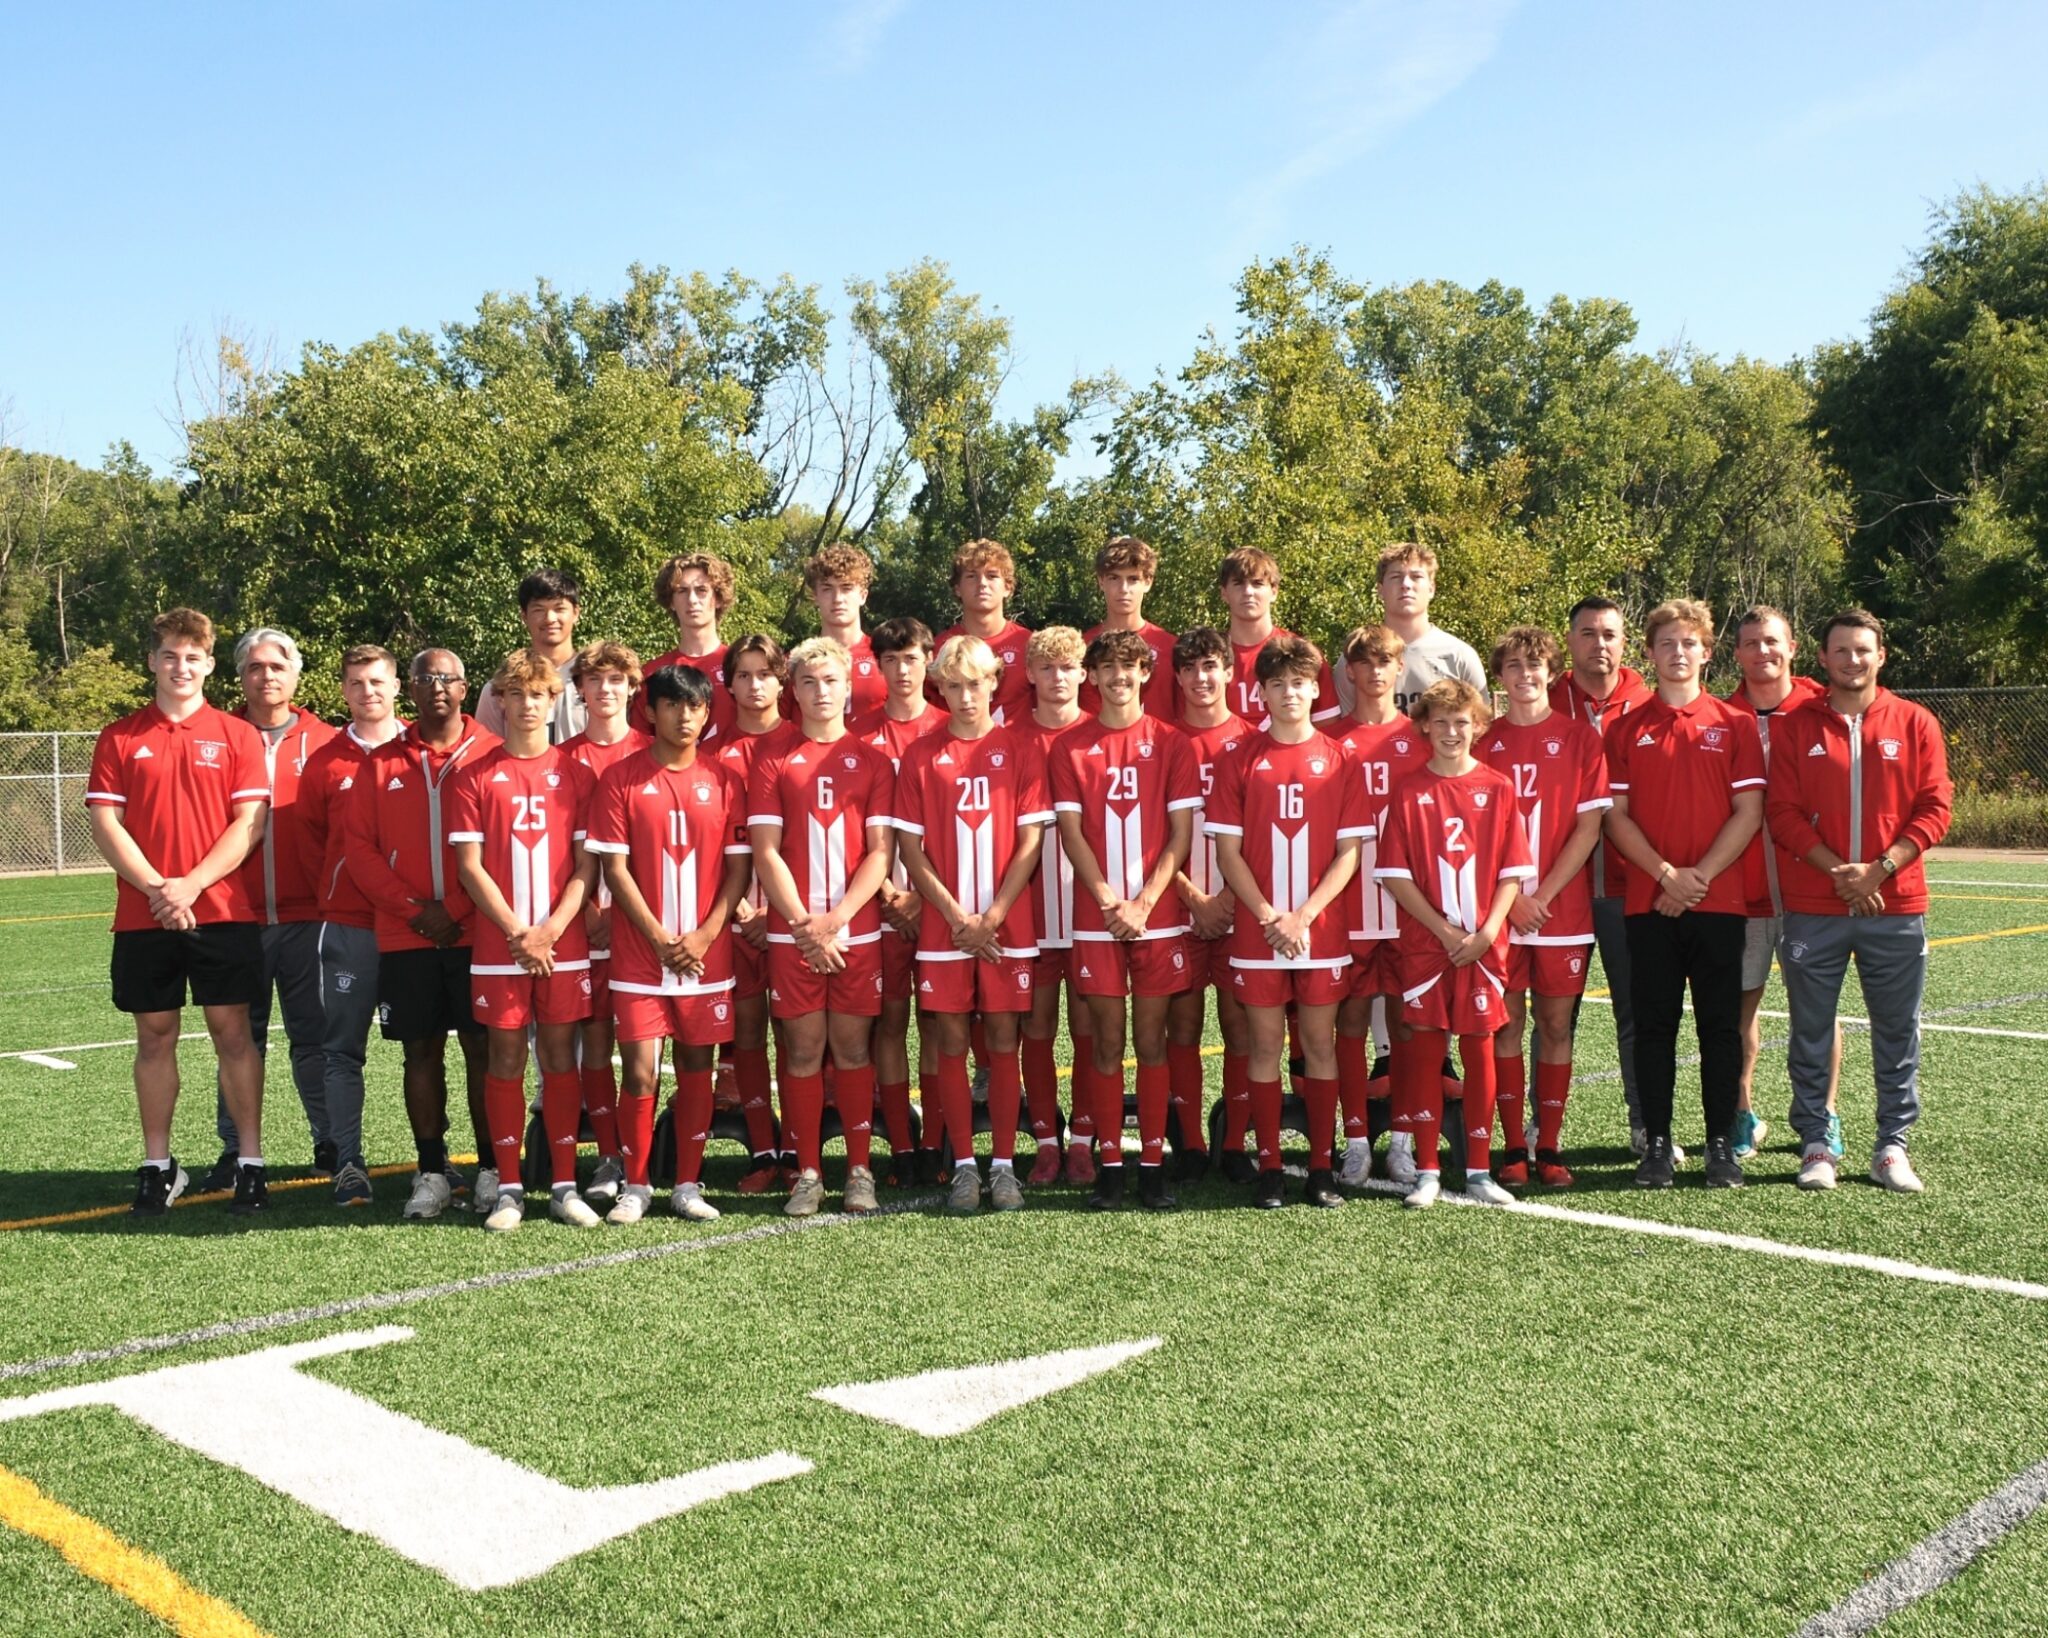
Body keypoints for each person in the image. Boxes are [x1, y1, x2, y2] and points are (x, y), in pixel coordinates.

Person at [87, 609, 272, 1216]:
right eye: (169, 655)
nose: (181, 667)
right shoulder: (119, 737)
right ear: (152, 661)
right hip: (145, 915)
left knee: (233, 1034)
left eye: (193, 657)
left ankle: (250, 1163)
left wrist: (190, 885)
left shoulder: (238, 735)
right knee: (154, 1036)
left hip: (220, 910)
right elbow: (106, 825)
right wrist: (158, 890)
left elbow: (249, 825)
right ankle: (157, 1165)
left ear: (210, 665)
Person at [1766, 610, 1952, 1193]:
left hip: (1895, 907)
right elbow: (1782, 813)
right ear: (1822, 658)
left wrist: (1879, 870)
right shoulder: (1796, 726)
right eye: (1841, 650)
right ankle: (1816, 1142)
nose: (1852, 660)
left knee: (1897, 1032)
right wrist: (1840, 873)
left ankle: (1892, 1146)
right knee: (1810, 1031)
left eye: (1863, 650)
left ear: (1881, 656)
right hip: (1813, 907)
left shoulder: (1916, 722)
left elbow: (1935, 808)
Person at [1602, 600, 1765, 1189]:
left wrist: (1696, 878)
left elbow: (1749, 812)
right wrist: (1666, 874)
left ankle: (1720, 1144)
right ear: (1649, 652)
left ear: (1707, 652)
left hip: (1718, 903)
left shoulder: (1735, 723)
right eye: (1667, 643)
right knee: (1654, 1028)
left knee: (1719, 1028)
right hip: (1650, 903)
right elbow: (1615, 817)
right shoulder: (1624, 728)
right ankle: (1658, 1145)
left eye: (1689, 643)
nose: (1678, 652)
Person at [1207, 635, 1370, 1209]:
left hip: (1319, 930)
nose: (1289, 693)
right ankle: (1271, 1166)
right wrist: (1268, 915)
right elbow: (1228, 853)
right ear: (1262, 693)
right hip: (1260, 931)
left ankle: (1321, 1167)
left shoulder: (1341, 758)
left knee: (1320, 1044)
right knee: (1264, 1045)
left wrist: (1303, 915)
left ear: (1314, 688)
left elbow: (1350, 854)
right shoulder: (1239, 759)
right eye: (1277, 684)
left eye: (1299, 683)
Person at [585, 663, 752, 1223]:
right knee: (640, 1072)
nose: (685, 716)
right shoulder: (621, 779)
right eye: (673, 705)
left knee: (697, 1067)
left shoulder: (725, 780)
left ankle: (686, 1183)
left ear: (707, 714)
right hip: (640, 956)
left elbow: (738, 869)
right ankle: (637, 1185)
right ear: (651, 712)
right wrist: (659, 939)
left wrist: (704, 934)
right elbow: (614, 870)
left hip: (707, 954)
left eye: (695, 706)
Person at [891, 634, 1051, 1213]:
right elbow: (911, 850)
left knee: (1004, 1041)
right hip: (946, 926)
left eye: (975, 684)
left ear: (995, 683)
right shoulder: (920, 755)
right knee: (951, 1042)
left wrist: (994, 915)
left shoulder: (1022, 748)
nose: (965, 696)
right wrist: (959, 916)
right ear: (939, 686)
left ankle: (1004, 1166)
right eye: (953, 686)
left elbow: (1031, 842)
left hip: (1007, 924)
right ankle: (963, 1166)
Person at [343, 648, 501, 1220]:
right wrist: (414, 910)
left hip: (478, 932)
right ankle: (432, 1171)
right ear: (409, 689)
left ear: (464, 687)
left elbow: (503, 845)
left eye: (447, 678)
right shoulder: (380, 762)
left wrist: (455, 908)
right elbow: (359, 850)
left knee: (484, 1050)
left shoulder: (492, 753)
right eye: (425, 678)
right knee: (420, 1049)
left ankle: (492, 1169)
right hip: (407, 934)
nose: (437, 686)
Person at [448, 651, 601, 1231]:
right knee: (506, 1058)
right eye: (517, 694)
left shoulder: (578, 774)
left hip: (564, 942)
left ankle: (563, 1185)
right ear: (501, 702)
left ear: (554, 700)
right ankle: (509, 1188)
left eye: (538, 694)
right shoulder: (474, 775)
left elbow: (587, 865)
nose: (528, 704)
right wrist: (519, 932)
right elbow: (469, 867)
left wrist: (552, 929)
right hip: (501, 946)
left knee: (560, 1057)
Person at [750, 638, 897, 1216]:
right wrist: (803, 926)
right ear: (794, 689)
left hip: (854, 930)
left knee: (854, 1049)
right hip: (794, 934)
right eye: (808, 682)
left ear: (848, 687)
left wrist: (836, 920)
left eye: (831, 680)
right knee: (804, 1051)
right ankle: (808, 1172)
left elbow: (880, 852)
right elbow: (766, 850)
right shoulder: (772, 759)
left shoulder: (873, 760)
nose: (820, 692)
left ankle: (859, 1171)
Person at [1053, 629, 1200, 1211]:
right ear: (1092, 677)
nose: (1119, 677)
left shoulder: (1171, 743)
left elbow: (1181, 835)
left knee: (1152, 1043)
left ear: (1145, 674)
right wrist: (1108, 901)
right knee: (1105, 1043)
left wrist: (1142, 904)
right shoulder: (1070, 747)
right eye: (1108, 668)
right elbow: (1071, 834)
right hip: (1098, 919)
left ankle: (1154, 1170)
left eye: (1129, 667)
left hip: (1156, 919)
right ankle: (1111, 1170)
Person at [1376, 677, 1536, 1208]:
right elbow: (1395, 875)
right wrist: (1444, 931)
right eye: (1440, 722)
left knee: (1480, 1046)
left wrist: (1487, 932)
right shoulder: (1409, 790)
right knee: (1425, 1048)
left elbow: (1512, 872)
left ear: (1479, 725)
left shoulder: (1499, 787)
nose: (1451, 731)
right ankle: (1426, 1170)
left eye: (1461, 722)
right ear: (1424, 726)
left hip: (1484, 948)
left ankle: (1478, 1170)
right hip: (1428, 946)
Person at [1475, 627, 1610, 1189]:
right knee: (1504, 1025)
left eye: (1534, 666)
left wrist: (1543, 897)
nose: (1524, 675)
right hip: (1502, 914)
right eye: (1513, 666)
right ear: (1499, 677)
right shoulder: (1483, 741)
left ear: (1552, 674)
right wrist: (1512, 902)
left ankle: (1548, 1144)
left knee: (1555, 1026)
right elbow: (1476, 835)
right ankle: (1512, 1146)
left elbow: (1589, 827)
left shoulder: (1580, 739)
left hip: (1561, 912)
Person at [203, 626, 337, 1193]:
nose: (266, 676)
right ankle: (235, 1149)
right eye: (255, 667)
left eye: (277, 666)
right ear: (240, 675)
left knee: (315, 1037)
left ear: (296, 674)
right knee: (238, 1038)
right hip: (236, 916)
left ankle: (330, 1140)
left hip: (310, 918)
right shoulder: (216, 736)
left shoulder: (328, 741)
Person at [1724, 606, 1837, 1160]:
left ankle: (1822, 1117)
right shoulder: (1722, 716)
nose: (1762, 651)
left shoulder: (1824, 709)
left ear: (1792, 647)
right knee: (1736, 1012)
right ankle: (1740, 1113)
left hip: (1809, 891)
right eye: (1751, 643)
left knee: (1816, 1012)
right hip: (1742, 893)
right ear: (1737, 654)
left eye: (1772, 641)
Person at [298, 643, 406, 1206]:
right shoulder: (325, 762)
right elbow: (313, 846)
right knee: (342, 1048)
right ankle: (348, 1161)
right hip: (349, 927)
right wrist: (341, 893)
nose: (368, 692)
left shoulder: (421, 751)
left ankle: (434, 1162)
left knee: (426, 1047)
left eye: (378, 681)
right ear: (344, 690)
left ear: (396, 687)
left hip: (416, 927)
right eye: (357, 683)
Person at [1550, 596, 1656, 1154]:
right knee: (1552, 1017)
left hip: (1626, 887)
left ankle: (1644, 1124)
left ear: (1625, 642)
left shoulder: (1650, 705)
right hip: (1556, 891)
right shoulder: (1543, 701)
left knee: (1637, 1013)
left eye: (1609, 634)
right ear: (1570, 641)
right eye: (1588, 633)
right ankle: (1541, 1131)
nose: (1599, 644)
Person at [1331, 625, 1432, 1186]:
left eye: (1384, 662)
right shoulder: (1328, 738)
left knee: (1406, 1023)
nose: (1374, 672)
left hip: (1408, 906)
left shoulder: (1421, 737)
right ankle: (1354, 1141)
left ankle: (1402, 1141)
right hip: (1348, 906)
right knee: (1349, 1021)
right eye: (1364, 662)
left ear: (1399, 670)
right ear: (1349, 671)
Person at [855, 618, 951, 1182]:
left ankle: (936, 1142)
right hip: (879, 904)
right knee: (888, 1025)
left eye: (911, 658)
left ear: (929, 661)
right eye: (890, 660)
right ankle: (901, 1146)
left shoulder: (949, 726)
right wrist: (891, 892)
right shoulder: (857, 735)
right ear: (878, 667)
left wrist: (921, 895)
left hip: (938, 903)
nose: (901, 669)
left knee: (937, 1025)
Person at [557, 642, 652, 1209]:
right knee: (594, 1042)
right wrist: (589, 911)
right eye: (595, 680)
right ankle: (610, 1155)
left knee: (642, 1051)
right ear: (580, 691)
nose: (606, 689)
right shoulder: (561, 759)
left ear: (633, 688)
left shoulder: (652, 751)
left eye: (617, 680)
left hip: (642, 925)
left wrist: (621, 912)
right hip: (582, 923)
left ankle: (642, 1158)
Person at [714, 636, 804, 1190]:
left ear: (781, 681)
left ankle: (795, 1149)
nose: (754, 685)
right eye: (743, 675)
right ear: (728, 685)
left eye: (764, 674)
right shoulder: (711, 751)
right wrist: (744, 909)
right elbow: (707, 844)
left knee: (797, 1037)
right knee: (746, 1034)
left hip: (794, 919)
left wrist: (780, 915)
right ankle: (762, 1149)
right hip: (736, 916)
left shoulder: (803, 744)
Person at [1168, 627, 1253, 1180]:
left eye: (1210, 667)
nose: (1201, 678)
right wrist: (1193, 897)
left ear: (1229, 672)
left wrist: (1226, 898)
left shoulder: (1254, 740)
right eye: (1190, 668)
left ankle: (1237, 1142)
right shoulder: (1162, 740)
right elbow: (1149, 837)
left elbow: (1266, 834)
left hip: (1239, 907)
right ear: (1177, 678)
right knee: (1183, 1026)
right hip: (1177, 908)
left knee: (1240, 1026)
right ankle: (1192, 1144)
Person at [1017, 626, 1096, 1182]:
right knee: (1037, 1028)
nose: (1057, 677)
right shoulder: (1007, 737)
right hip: (1031, 907)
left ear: (1083, 673)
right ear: (1029, 674)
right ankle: (1047, 1139)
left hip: (1090, 909)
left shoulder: (1099, 734)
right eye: (1046, 667)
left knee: (1090, 1029)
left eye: (1067, 667)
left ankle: (1085, 1139)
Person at [1215, 547, 1339, 728]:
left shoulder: (1302, 654)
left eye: (1257, 583)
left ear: (1274, 591)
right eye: (1238, 583)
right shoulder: (1207, 660)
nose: (1248, 591)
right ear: (1224, 593)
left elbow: (1327, 729)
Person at [1367, 542, 1486, 716]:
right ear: (1380, 590)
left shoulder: (1459, 656)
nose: (1406, 584)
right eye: (1396, 577)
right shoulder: (1358, 656)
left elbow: (1481, 725)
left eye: (1416, 576)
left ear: (1431, 589)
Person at [473, 568, 587, 743]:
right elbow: (486, 751)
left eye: (559, 608)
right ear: (524, 616)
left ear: (576, 613)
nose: (550, 618)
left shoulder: (598, 682)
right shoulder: (500, 688)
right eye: (539, 610)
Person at [929, 539, 1034, 726]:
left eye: (992, 576)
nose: (982, 583)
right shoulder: (938, 650)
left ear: (1008, 587)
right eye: (972, 576)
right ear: (957, 588)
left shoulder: (1030, 645)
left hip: (1019, 744)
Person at [638, 553, 739, 745]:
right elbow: (640, 743)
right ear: (671, 601)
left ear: (718, 598)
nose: (692, 600)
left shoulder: (741, 667)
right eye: (682, 591)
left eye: (701, 590)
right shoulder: (652, 673)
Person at [1080, 536, 1179, 720]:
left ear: (1148, 582)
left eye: (1133, 579)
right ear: (1101, 581)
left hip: (1156, 738)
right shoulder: (1081, 647)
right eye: (1114, 578)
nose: (1123, 589)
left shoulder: (1172, 647)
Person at [789, 543, 886, 721]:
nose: (837, 599)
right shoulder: (794, 663)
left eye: (846, 588)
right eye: (827, 589)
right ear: (815, 597)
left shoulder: (885, 657)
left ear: (863, 595)